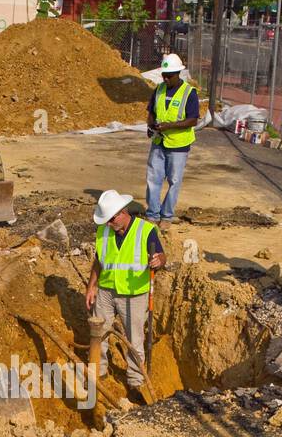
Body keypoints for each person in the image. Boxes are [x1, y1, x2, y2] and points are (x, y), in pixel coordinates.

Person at [85, 189, 166, 399]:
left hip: (134, 294)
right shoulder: (103, 231)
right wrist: (91, 286)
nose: (108, 224)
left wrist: (159, 261)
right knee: (99, 332)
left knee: (134, 339)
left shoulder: (146, 230)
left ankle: (135, 382)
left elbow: (161, 256)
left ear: (123, 212)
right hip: (106, 289)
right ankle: (98, 373)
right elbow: (99, 261)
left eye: (111, 220)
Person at [146, 53, 200, 224]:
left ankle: (167, 215)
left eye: (169, 76)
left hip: (178, 145)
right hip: (158, 142)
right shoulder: (159, 89)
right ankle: (153, 214)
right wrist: (151, 126)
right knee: (153, 178)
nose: (166, 79)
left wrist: (170, 126)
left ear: (179, 74)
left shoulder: (189, 93)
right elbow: (152, 112)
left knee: (174, 181)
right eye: (164, 76)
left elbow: (193, 119)